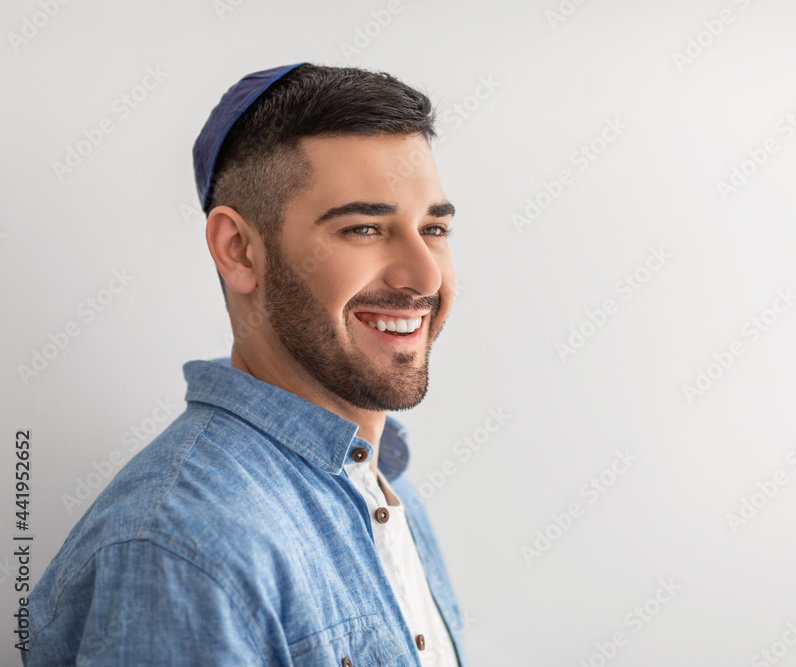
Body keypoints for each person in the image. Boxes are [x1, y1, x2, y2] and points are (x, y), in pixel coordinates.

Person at [23, 63, 466, 666]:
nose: (425, 277)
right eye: (365, 228)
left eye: (433, 228)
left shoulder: (386, 490)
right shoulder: (182, 543)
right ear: (238, 249)